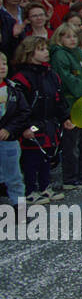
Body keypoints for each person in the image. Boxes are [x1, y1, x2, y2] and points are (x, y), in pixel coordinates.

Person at [8, 36, 73, 206]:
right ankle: (30, 190)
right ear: (29, 53)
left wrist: (65, 117)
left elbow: (58, 99)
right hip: (31, 124)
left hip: (48, 122)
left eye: (46, 49)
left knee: (47, 155)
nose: (46, 53)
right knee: (31, 157)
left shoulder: (51, 74)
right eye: (41, 49)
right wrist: (25, 126)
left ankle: (45, 186)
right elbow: (19, 106)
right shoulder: (21, 77)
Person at [49, 22, 82, 189]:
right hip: (70, 102)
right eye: (67, 36)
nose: (72, 39)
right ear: (59, 38)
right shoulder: (60, 55)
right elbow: (67, 79)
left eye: (74, 36)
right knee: (71, 141)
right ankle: (70, 177)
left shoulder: (78, 53)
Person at [0, 52, 29, 213]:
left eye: (4, 63)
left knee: (14, 176)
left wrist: (9, 129)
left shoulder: (13, 89)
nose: (2, 67)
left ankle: (19, 208)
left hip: (9, 141)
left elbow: (23, 113)